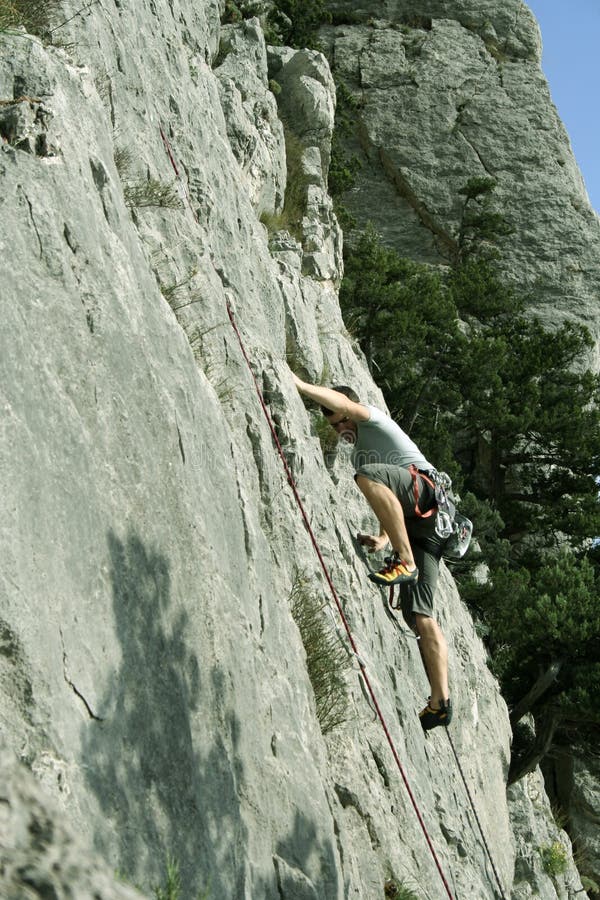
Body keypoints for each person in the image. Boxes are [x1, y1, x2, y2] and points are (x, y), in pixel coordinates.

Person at [292, 375, 452, 731]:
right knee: (420, 615)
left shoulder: (374, 418)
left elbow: (386, 482)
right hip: (429, 525)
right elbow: (391, 499)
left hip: (425, 493)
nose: (338, 430)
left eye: (338, 421)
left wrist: (299, 385)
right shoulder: (362, 452)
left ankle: (405, 560)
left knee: (367, 475)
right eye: (332, 426)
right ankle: (439, 702)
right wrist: (383, 539)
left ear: (348, 412)